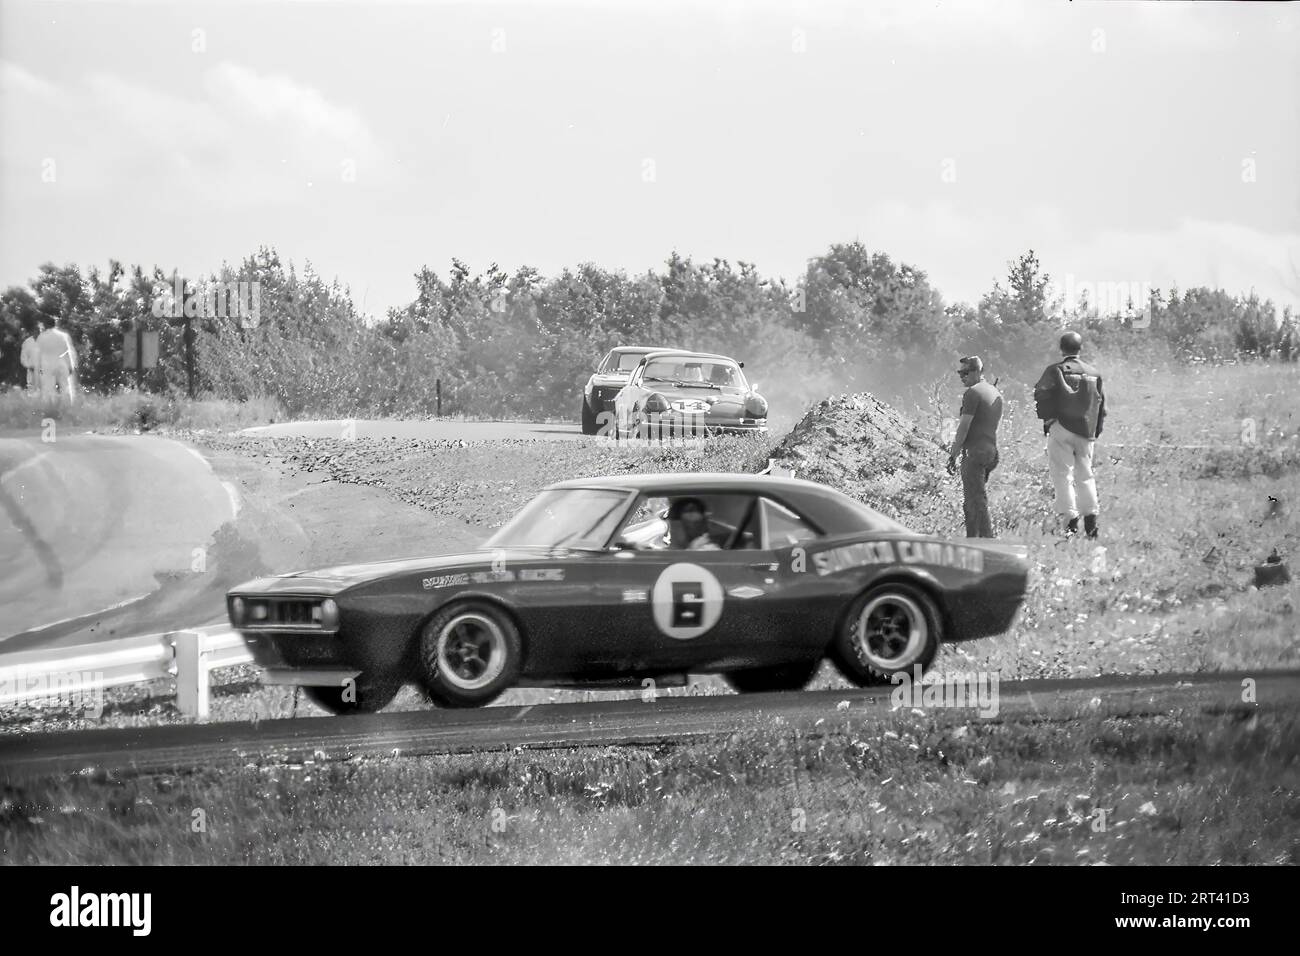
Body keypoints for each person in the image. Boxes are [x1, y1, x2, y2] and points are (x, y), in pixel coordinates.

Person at [1034, 330, 1107, 538]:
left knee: (1062, 475)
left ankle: (1070, 521)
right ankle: (1091, 523)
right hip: (1086, 431)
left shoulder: (1054, 370)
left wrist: (1047, 419)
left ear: (1061, 349)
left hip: (1062, 428)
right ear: (1080, 348)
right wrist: (1096, 430)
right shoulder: (1094, 373)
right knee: (1086, 475)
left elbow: (1040, 393)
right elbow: (1102, 406)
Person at [946, 355, 1003, 538]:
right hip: (991, 452)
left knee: (976, 501)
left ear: (978, 371)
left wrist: (953, 455)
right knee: (971, 500)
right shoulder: (994, 392)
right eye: (959, 373)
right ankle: (972, 539)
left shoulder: (972, 393)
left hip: (974, 453)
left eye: (965, 372)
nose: (962, 377)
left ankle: (986, 542)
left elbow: (964, 427)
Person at [36, 315, 78, 410]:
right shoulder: (63, 336)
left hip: (47, 363)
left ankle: (49, 409)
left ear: (46, 325)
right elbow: (68, 351)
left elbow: (38, 353)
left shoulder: (41, 337)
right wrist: (71, 366)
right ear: (55, 324)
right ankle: (68, 409)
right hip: (61, 362)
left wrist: (39, 367)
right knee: (66, 387)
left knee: (48, 388)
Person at [20, 319, 44, 391]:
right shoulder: (27, 342)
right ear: (32, 331)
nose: (37, 331)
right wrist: (29, 366)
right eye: (35, 330)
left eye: (39, 330)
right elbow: (23, 358)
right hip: (31, 371)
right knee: (31, 391)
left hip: (43, 372)